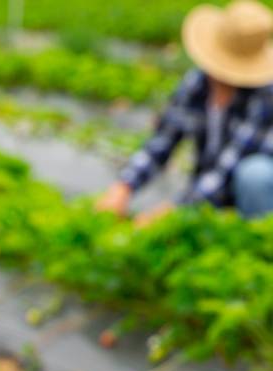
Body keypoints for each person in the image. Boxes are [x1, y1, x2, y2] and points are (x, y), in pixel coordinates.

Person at [96, 0, 273, 225]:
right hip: (209, 195)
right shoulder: (197, 84)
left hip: (254, 195)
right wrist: (124, 187)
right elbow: (161, 141)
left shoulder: (266, 96)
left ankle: (263, 245)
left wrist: (174, 210)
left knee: (254, 175)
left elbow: (228, 169)